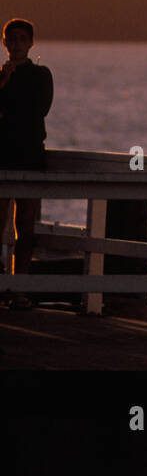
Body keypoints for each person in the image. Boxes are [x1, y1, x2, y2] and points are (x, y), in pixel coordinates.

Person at [0, 18, 53, 310]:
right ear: (4, 42)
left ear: (31, 43)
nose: (17, 44)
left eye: (22, 39)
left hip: (31, 155)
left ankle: (20, 287)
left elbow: (40, 108)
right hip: (3, 156)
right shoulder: (0, 76)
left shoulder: (41, 75)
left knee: (26, 227)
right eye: (11, 39)